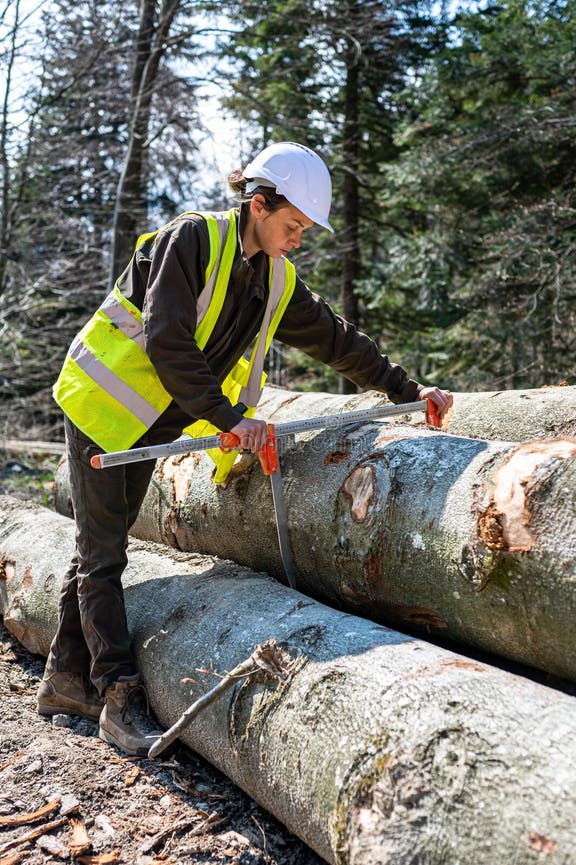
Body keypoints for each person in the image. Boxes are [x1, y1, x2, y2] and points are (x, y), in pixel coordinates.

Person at [37, 141, 453, 756]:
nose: (298, 239)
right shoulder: (193, 241)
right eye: (292, 226)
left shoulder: (275, 278)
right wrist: (231, 418)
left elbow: (334, 339)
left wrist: (406, 387)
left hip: (152, 420)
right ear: (258, 204)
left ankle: (64, 681)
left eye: (306, 230)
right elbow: (167, 341)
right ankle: (117, 697)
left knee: (105, 545)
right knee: (102, 556)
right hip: (105, 406)